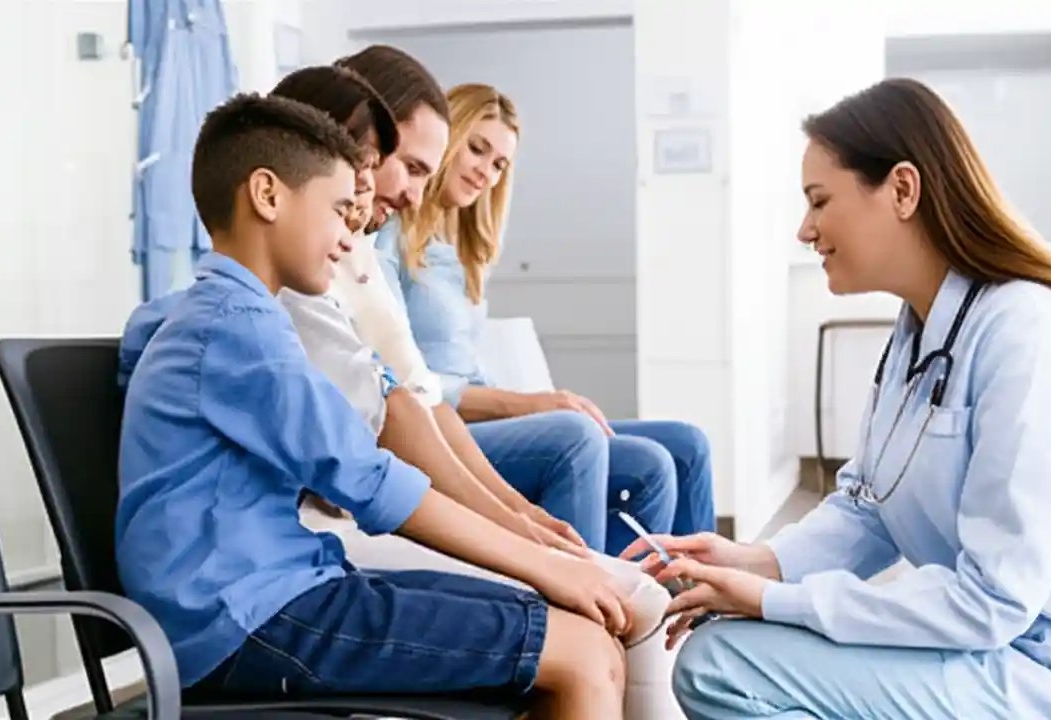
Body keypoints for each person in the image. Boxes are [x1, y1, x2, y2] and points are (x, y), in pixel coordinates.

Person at [622, 78, 1051, 720]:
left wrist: (769, 599)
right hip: (1000, 650)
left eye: (819, 201)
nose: (805, 230)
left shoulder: (1030, 332)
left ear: (901, 189)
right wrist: (757, 561)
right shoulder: (919, 334)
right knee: (725, 653)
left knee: (726, 666)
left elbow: (991, 602)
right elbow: (870, 508)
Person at [115, 91, 632, 718]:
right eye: (338, 210)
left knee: (573, 640)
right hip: (246, 621)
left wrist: (541, 563)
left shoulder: (221, 315)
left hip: (281, 592)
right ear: (268, 195)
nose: (346, 238)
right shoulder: (236, 327)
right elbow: (372, 484)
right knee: (581, 652)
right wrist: (547, 567)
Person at [264, 61, 681, 719]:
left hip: (327, 537)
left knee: (624, 580)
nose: (371, 211)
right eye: (354, 195)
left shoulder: (337, 271)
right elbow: (383, 461)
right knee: (602, 622)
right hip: (297, 568)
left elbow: (411, 401)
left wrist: (525, 527)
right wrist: (531, 553)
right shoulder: (265, 307)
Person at [378, 82, 716, 555]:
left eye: (500, 164)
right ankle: (603, 606)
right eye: (477, 149)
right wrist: (521, 403)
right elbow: (403, 379)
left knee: (685, 445)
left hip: (469, 417)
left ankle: (688, 604)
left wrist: (525, 401)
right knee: (601, 445)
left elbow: (465, 365)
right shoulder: (388, 235)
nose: (486, 173)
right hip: (437, 426)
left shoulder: (461, 252)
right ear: (445, 141)